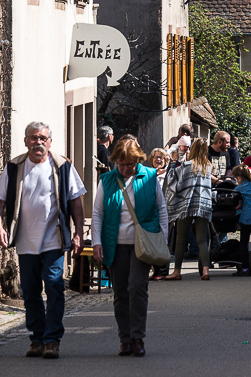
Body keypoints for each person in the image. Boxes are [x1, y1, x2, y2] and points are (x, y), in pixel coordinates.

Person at [0, 122, 86, 360]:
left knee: (54, 285)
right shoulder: (14, 167)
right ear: (26, 141)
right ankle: (37, 338)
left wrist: (78, 234)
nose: (38, 142)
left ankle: (52, 340)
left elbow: (76, 201)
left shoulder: (63, 167)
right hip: (25, 240)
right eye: (33, 138)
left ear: (50, 142)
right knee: (31, 291)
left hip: (53, 238)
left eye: (43, 138)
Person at [91, 137, 169, 358]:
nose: (126, 168)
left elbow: (161, 208)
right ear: (115, 161)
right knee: (120, 293)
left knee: (137, 287)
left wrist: (162, 238)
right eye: (122, 164)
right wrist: (96, 241)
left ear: (138, 161)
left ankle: (138, 337)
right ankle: (125, 339)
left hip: (142, 244)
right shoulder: (106, 180)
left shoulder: (150, 176)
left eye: (131, 164)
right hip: (115, 244)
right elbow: (98, 214)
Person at [164, 138, 213, 280]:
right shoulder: (208, 167)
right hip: (203, 205)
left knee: (180, 239)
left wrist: (173, 163)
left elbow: (172, 179)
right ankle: (205, 271)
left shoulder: (186, 166)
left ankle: (177, 272)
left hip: (186, 205)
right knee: (202, 239)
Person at [147, 148, 171, 280]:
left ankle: (163, 270)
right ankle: (155, 270)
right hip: (151, 211)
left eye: (161, 157)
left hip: (166, 211)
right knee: (153, 240)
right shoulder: (149, 174)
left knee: (164, 240)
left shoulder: (169, 174)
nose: (158, 160)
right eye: (156, 157)